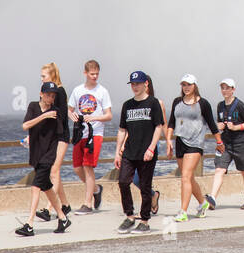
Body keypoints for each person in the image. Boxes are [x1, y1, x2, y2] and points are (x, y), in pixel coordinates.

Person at [16, 82, 71, 236]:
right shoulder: (33, 107)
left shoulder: (56, 112)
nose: (50, 98)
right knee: (47, 187)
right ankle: (62, 217)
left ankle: (29, 224)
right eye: (48, 94)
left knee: (36, 187)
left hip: (49, 154)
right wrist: (43, 116)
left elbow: (61, 134)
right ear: (41, 94)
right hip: (36, 153)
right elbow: (25, 125)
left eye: (53, 96)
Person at [166, 74, 222, 222]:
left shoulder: (203, 103)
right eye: (183, 84)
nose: (186, 87)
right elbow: (172, 122)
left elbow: (211, 124)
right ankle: (203, 203)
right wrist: (168, 141)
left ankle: (183, 212)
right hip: (180, 142)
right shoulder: (177, 102)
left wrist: (219, 142)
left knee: (185, 177)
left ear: (195, 86)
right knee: (189, 178)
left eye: (189, 84)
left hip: (195, 144)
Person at [115, 71, 165, 233]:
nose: (135, 87)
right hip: (130, 151)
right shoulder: (127, 105)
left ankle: (144, 221)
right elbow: (122, 129)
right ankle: (129, 216)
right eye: (133, 84)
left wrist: (151, 148)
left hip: (147, 152)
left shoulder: (153, 103)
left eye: (138, 83)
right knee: (123, 182)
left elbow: (158, 127)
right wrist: (117, 152)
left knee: (145, 187)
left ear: (146, 84)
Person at [68, 60, 113, 213]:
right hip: (80, 133)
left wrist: (94, 118)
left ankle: (87, 204)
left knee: (88, 167)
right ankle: (96, 189)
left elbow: (108, 115)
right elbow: (68, 109)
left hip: (95, 134)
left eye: (97, 74)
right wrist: (72, 116)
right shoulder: (77, 90)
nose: (95, 77)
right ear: (85, 73)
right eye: (92, 74)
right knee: (77, 167)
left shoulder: (102, 91)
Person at [209, 77, 244, 209]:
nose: (224, 90)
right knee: (219, 169)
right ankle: (212, 198)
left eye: (227, 88)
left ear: (233, 89)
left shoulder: (239, 105)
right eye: (222, 88)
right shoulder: (220, 105)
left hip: (241, 143)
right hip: (226, 143)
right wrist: (220, 126)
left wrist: (236, 127)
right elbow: (219, 122)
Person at [35, 63, 72, 222]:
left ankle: (49, 209)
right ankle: (65, 204)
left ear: (52, 76)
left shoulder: (60, 91)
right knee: (54, 172)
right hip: (50, 136)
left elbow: (61, 116)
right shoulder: (45, 92)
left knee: (54, 171)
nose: (41, 78)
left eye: (44, 76)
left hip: (60, 135)